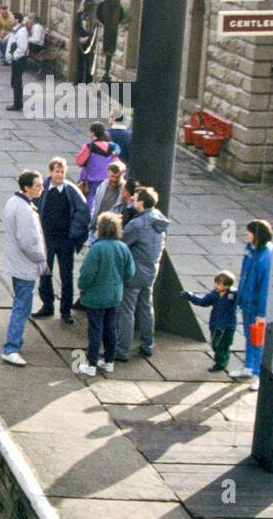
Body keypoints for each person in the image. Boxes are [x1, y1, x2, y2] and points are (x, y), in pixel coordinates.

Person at [77, 212, 137, 376]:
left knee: (95, 329)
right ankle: (109, 361)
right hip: (115, 295)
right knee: (111, 328)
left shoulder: (97, 249)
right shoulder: (123, 247)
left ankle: (91, 364)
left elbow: (87, 274)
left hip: (96, 296)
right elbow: (130, 272)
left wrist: (82, 286)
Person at [115, 186, 170, 361]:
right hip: (151, 270)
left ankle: (122, 350)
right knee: (146, 307)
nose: (132, 199)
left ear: (141, 202)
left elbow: (122, 243)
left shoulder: (137, 225)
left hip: (134, 273)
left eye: (135, 197)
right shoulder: (159, 220)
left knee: (127, 311)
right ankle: (148, 345)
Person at [33, 158, 89, 325]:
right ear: (51, 172)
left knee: (66, 276)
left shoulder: (71, 190)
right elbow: (33, 205)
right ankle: (47, 305)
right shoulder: (43, 188)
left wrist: (74, 233)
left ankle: (65, 310)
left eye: (62, 172)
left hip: (65, 240)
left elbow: (83, 211)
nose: (60, 175)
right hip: (47, 239)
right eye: (57, 171)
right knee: (45, 273)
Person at [3, 170, 49, 366]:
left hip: (15, 262)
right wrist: (42, 258)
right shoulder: (24, 210)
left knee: (20, 303)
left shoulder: (12, 202)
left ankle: (16, 340)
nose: (42, 189)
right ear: (27, 188)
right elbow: (28, 242)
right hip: (25, 265)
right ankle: (11, 347)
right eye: (38, 186)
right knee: (22, 306)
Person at [231, 219, 273, 390]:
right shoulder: (250, 250)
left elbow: (265, 287)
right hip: (247, 301)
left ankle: (257, 373)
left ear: (257, 235)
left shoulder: (266, 257)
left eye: (249, 232)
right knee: (250, 337)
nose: (246, 234)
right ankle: (248, 367)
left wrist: (262, 312)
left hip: (256, 305)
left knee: (258, 340)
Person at [182, 272, 239, 373]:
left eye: (219, 284)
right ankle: (223, 358)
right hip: (216, 325)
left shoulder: (233, 294)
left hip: (228, 326)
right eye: (216, 283)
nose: (216, 286)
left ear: (227, 285)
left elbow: (242, 298)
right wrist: (191, 296)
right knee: (215, 344)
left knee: (224, 344)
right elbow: (203, 301)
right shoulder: (214, 295)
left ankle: (221, 363)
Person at [76, 122, 118, 206]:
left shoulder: (89, 146)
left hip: (92, 181)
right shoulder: (111, 147)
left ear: (93, 133)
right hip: (107, 180)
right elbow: (117, 163)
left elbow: (79, 161)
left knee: (90, 201)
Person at [87, 160, 127, 242]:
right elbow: (95, 206)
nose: (114, 180)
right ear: (108, 173)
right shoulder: (103, 185)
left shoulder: (125, 191)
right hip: (97, 228)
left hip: (112, 231)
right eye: (112, 176)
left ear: (123, 175)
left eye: (117, 177)